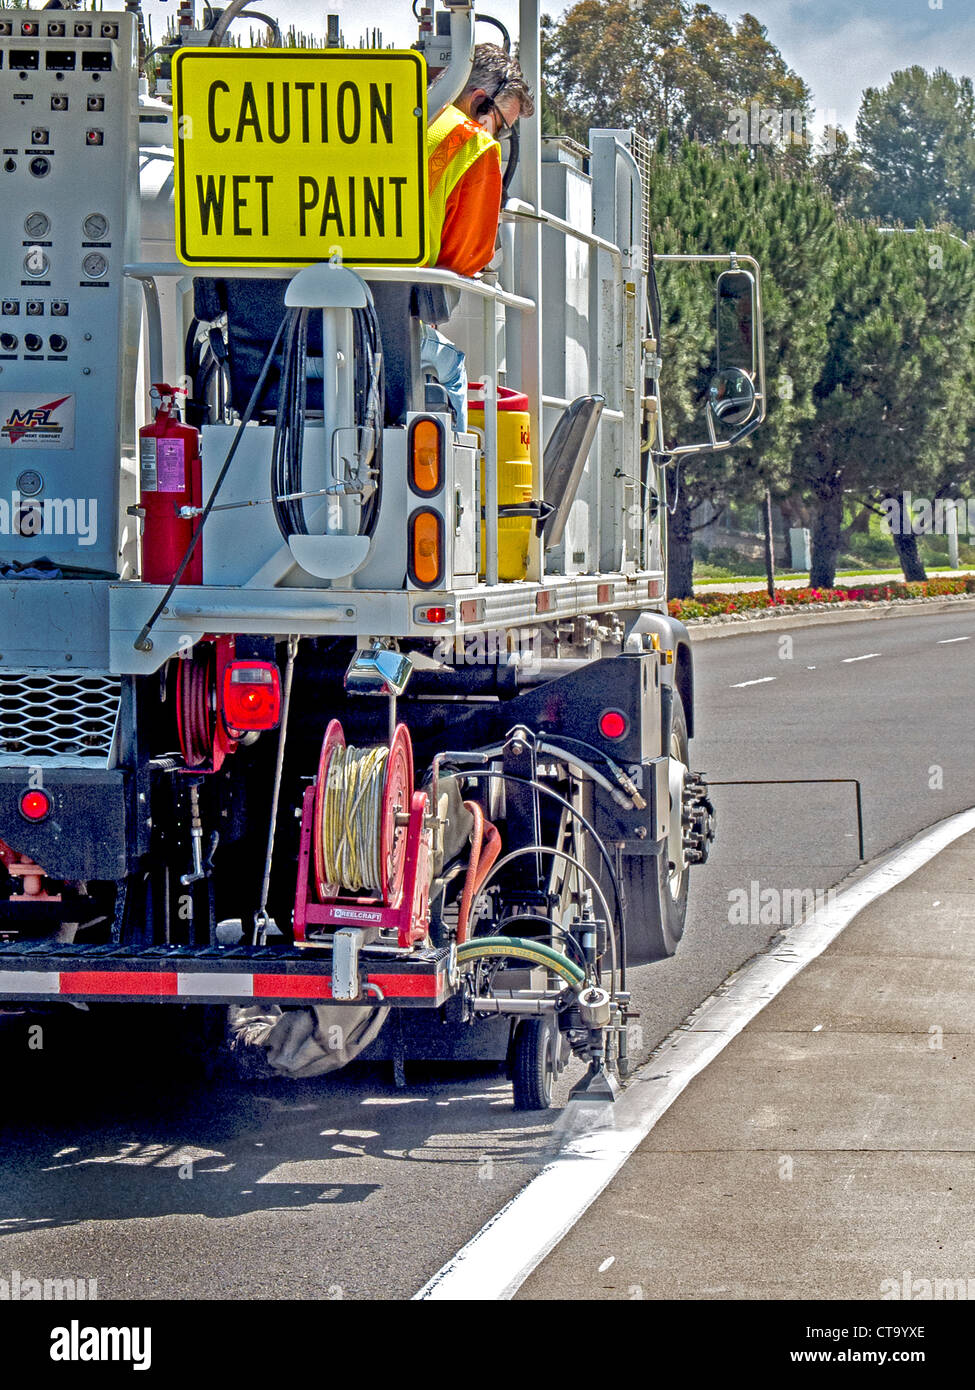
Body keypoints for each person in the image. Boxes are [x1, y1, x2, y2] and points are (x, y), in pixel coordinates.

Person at [420, 45, 534, 430]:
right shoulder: (473, 146)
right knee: (451, 371)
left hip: (294, 327)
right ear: (479, 100)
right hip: (386, 325)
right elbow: (468, 258)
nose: (499, 137)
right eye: (501, 124)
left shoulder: (395, 117)